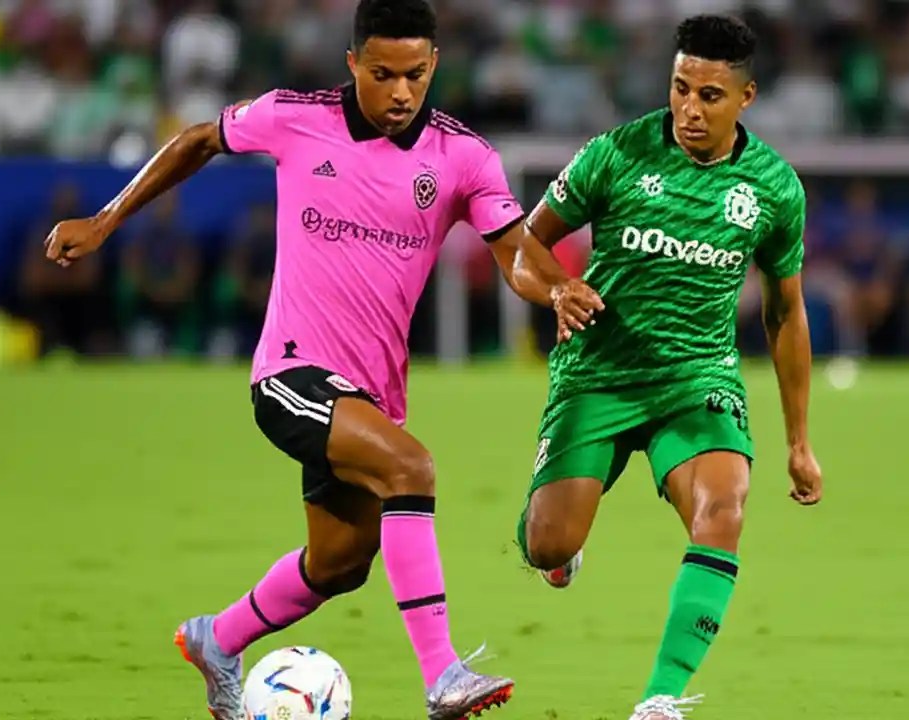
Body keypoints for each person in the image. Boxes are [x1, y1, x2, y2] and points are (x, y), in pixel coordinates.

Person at [43, 1, 601, 718]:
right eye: (383, 74)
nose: (401, 92)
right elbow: (198, 139)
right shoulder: (294, 117)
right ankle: (443, 676)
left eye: (416, 74)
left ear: (434, 65)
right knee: (411, 469)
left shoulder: (463, 157)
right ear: (353, 64)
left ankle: (218, 638)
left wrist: (555, 288)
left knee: (340, 562)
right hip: (292, 373)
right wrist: (106, 219)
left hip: (370, 396)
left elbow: (515, 252)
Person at [514, 15, 824, 720]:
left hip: (697, 378)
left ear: (746, 97)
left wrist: (799, 441)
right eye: (681, 88)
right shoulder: (617, 153)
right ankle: (559, 549)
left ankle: (660, 698)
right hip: (597, 372)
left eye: (710, 95)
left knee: (724, 510)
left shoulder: (774, 188)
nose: (689, 108)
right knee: (547, 543)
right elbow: (527, 245)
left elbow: (785, 314)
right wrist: (556, 289)